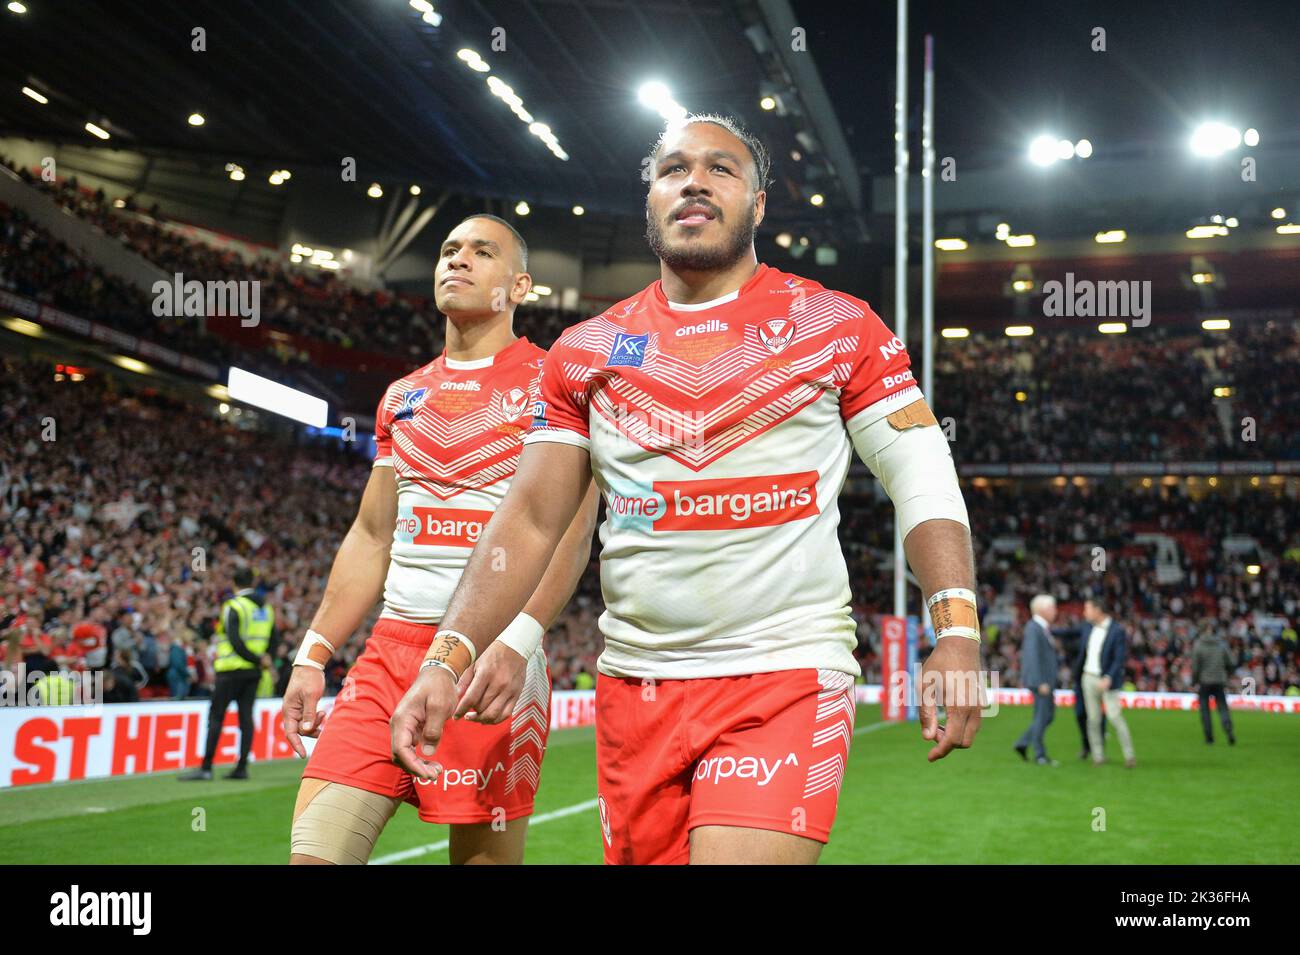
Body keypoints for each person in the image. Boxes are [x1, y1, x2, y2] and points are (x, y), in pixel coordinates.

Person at [390, 114, 983, 865]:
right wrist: (448, 658)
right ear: (651, 201)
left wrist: (955, 630)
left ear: (759, 204)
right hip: (633, 687)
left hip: (783, 672)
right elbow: (532, 517)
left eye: (721, 169)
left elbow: (922, 474)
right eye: (673, 169)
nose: (694, 180)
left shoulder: (837, 324)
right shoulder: (585, 351)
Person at [282, 214, 597, 866]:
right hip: (388, 656)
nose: (459, 260)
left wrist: (519, 642)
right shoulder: (402, 396)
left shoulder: (553, 383)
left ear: (518, 285)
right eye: (450, 250)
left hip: (489, 665)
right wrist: (313, 653)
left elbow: (568, 531)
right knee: (314, 855)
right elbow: (371, 535)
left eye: (482, 253)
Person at [179, 567, 275, 781]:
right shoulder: (266, 608)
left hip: (230, 671)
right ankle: (241, 767)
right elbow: (273, 639)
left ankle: (206, 768)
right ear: (253, 580)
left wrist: (255, 659)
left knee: (216, 717)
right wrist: (263, 659)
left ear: (234, 583)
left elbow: (234, 640)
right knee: (246, 718)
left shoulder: (234, 605)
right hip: (253, 672)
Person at [1074, 597, 1136, 768]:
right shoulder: (1088, 628)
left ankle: (1129, 756)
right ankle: (1098, 756)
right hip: (1088, 677)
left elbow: (1119, 658)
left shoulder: (1117, 631)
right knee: (1092, 719)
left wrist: (1108, 677)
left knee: (1114, 717)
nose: (1084, 612)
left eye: (1087, 608)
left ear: (1098, 610)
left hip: (1106, 679)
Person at [1014, 594, 1059, 766]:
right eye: (1052, 608)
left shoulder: (1039, 628)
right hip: (1042, 681)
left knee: (1046, 716)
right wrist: (1039, 682)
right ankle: (1039, 753)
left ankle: (1023, 743)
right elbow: (1032, 657)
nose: (1055, 612)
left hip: (1044, 680)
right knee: (1043, 716)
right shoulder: (1035, 628)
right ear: (1043, 609)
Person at [1190, 629, 1236, 745]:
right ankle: (1228, 728)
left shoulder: (1199, 646)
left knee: (1205, 711)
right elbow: (1231, 662)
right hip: (1219, 681)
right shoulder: (1221, 645)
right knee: (1222, 708)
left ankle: (1209, 737)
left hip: (1204, 681)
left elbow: (1195, 667)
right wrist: (1226, 674)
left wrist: (1194, 681)